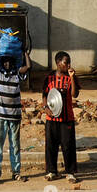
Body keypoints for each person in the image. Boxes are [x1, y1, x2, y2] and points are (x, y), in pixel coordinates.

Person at [0, 36, 29, 185]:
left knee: (15, 145)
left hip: (15, 115)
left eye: (10, 61)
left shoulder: (17, 73)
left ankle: (16, 172)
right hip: (0, 115)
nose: (8, 63)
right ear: (2, 62)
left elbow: (28, 67)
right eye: (5, 61)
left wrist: (25, 53)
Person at [42, 50, 80, 183]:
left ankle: (70, 172)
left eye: (69, 62)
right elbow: (44, 95)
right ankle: (52, 171)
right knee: (51, 146)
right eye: (65, 62)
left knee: (68, 145)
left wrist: (72, 78)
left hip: (67, 119)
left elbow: (75, 94)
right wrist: (45, 108)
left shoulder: (71, 78)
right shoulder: (49, 78)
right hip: (51, 119)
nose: (68, 65)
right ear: (58, 63)